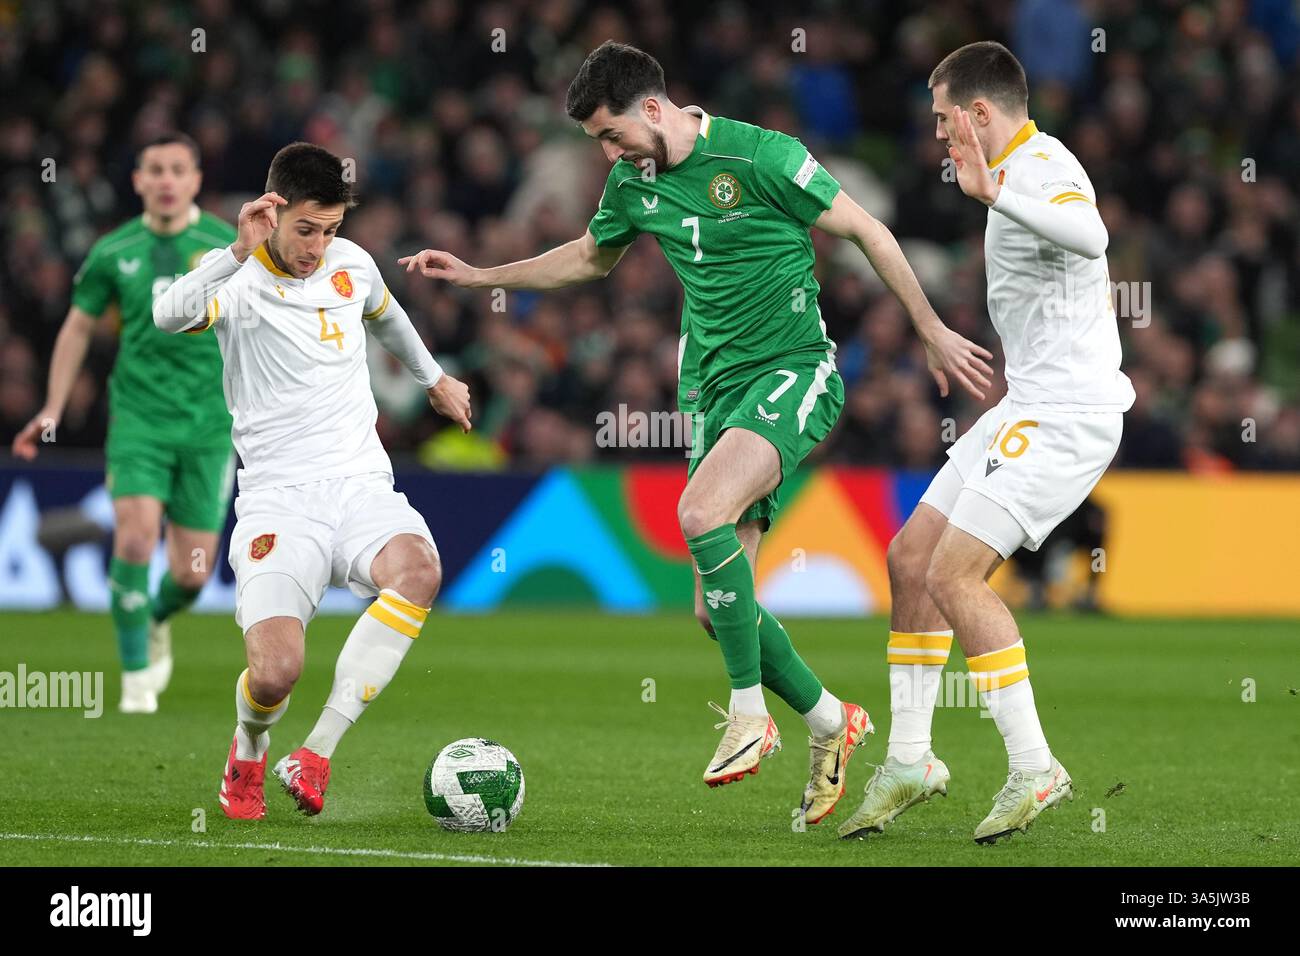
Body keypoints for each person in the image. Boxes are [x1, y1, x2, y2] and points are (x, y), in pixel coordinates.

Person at [400, 41, 991, 823]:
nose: (608, 154)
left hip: (792, 368)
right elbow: (587, 257)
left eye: (612, 135)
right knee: (716, 610)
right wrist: (481, 276)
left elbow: (869, 231)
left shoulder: (762, 155)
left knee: (699, 515)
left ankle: (749, 713)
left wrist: (931, 330)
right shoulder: (631, 183)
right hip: (710, 393)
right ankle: (830, 723)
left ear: (653, 109)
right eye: (598, 144)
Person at [839, 41, 1135, 844]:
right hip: (1025, 405)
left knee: (954, 574)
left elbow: (1092, 236)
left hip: (1068, 412)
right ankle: (909, 761)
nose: (938, 134)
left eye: (943, 118)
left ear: (978, 113)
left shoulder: (1042, 165)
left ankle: (1035, 765)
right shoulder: (1014, 173)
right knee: (909, 559)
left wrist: (998, 190)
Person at [153, 142, 472, 819]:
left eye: (331, 229)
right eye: (307, 229)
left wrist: (435, 379)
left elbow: (386, 314)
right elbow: (167, 315)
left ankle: (317, 752)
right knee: (274, 674)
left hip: (359, 483)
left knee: (418, 570)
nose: (319, 246)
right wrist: (235, 252)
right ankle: (249, 748)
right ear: (270, 212)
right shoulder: (232, 280)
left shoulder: (350, 264)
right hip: (278, 500)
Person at [11, 133, 236, 714]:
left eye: (177, 170)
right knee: (135, 537)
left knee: (191, 575)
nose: (165, 180)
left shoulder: (224, 247)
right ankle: (136, 676)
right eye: (154, 169)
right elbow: (78, 328)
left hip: (211, 425)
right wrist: (53, 408)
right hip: (138, 418)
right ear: (137, 180)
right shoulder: (114, 251)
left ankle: (156, 617)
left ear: (195, 179)